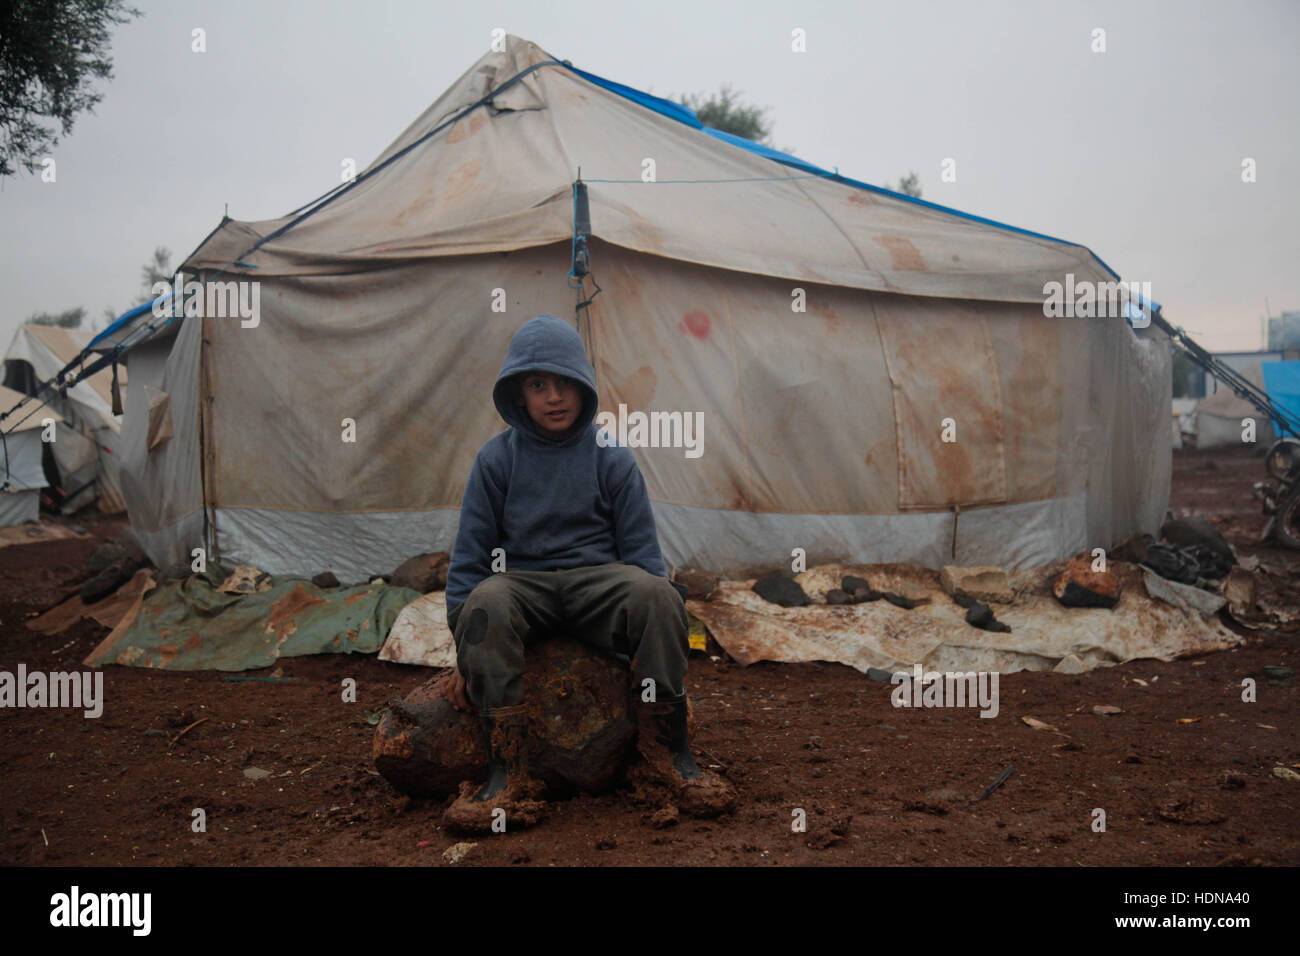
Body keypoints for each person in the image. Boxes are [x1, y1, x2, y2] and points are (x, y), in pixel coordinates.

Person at [438, 313, 734, 832]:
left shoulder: (611, 456)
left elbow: (643, 557)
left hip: (599, 582)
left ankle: (669, 758)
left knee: (659, 594)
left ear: (584, 387)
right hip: (524, 586)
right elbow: (469, 563)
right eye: (537, 385)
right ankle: (508, 775)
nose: (553, 397)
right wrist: (467, 655)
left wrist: (638, 653)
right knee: (485, 601)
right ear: (518, 395)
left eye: (564, 383)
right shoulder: (495, 460)